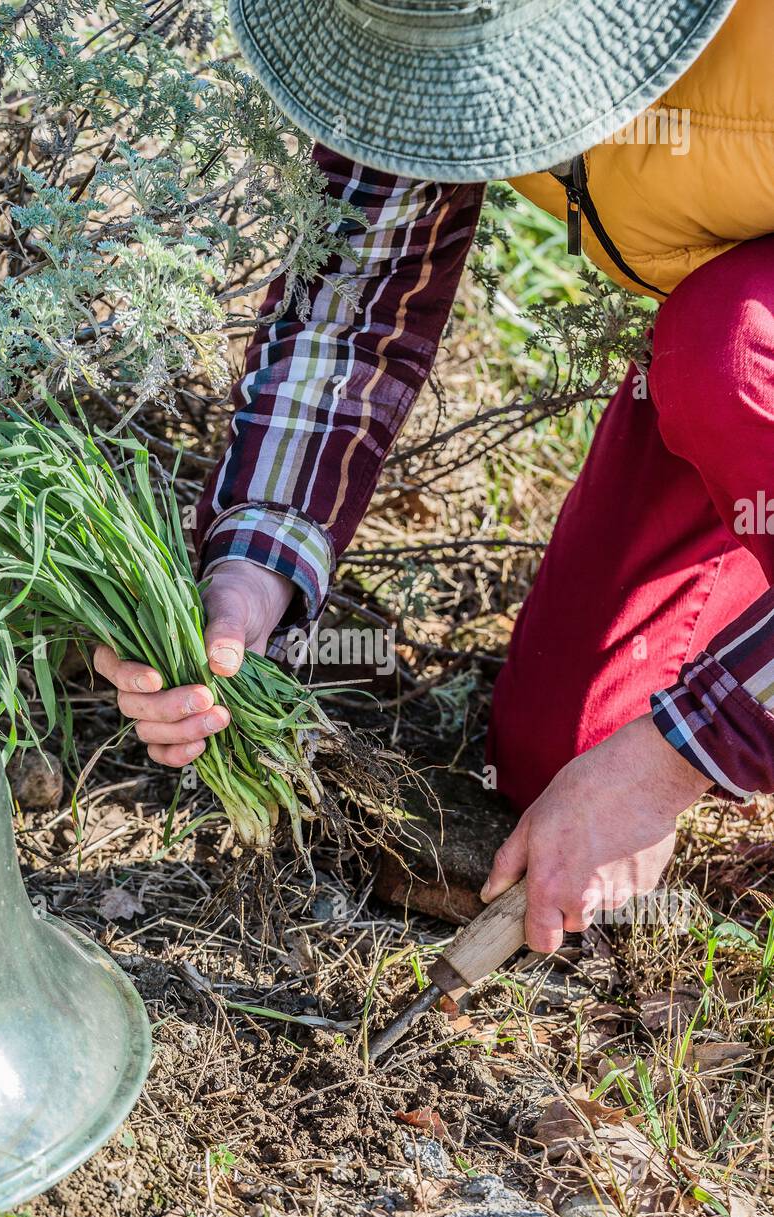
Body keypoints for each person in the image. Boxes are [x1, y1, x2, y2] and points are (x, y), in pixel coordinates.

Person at [95, 0, 774, 952]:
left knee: (730, 354)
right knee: (564, 758)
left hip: (746, 351)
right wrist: (248, 579)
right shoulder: (409, 25)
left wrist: (685, 754)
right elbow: (348, 314)